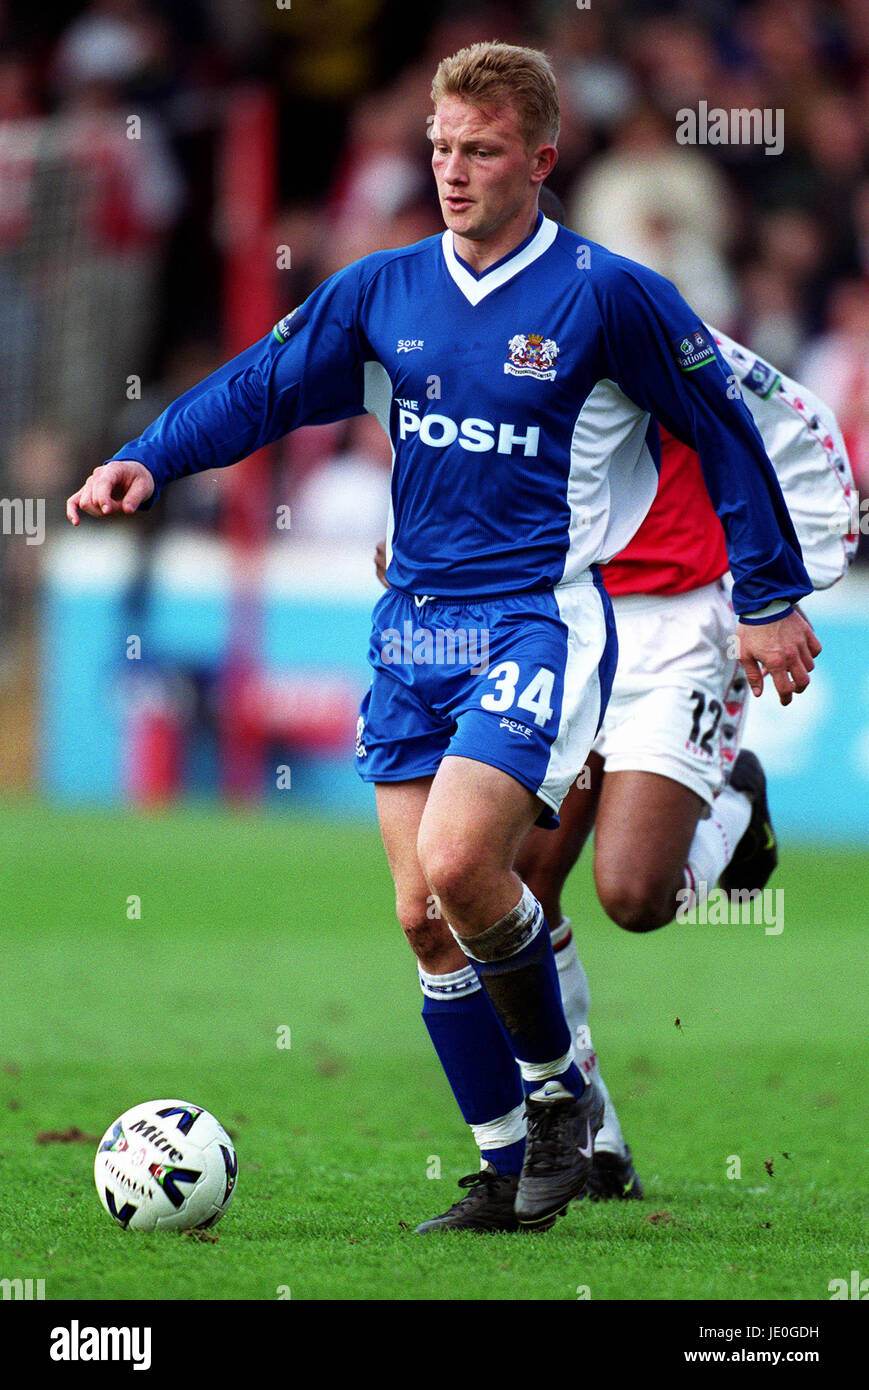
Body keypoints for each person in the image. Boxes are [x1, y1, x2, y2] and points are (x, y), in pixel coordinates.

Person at [67, 42, 820, 1231]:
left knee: (467, 868)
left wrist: (769, 592)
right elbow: (261, 386)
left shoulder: (606, 294)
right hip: (409, 628)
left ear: (538, 157)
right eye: (438, 148)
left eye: (478, 150)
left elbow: (724, 430)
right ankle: (508, 1162)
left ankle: (557, 1095)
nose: (453, 171)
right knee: (424, 917)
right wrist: (148, 456)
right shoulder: (383, 290)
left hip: (541, 619)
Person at [373, 326, 853, 1231]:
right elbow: (446, 450)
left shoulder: (642, 322)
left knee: (633, 894)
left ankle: (737, 805)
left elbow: (796, 416)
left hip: (676, 631)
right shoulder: (481, 339)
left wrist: (788, 583)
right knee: (511, 887)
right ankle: (595, 1138)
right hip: (553, 625)